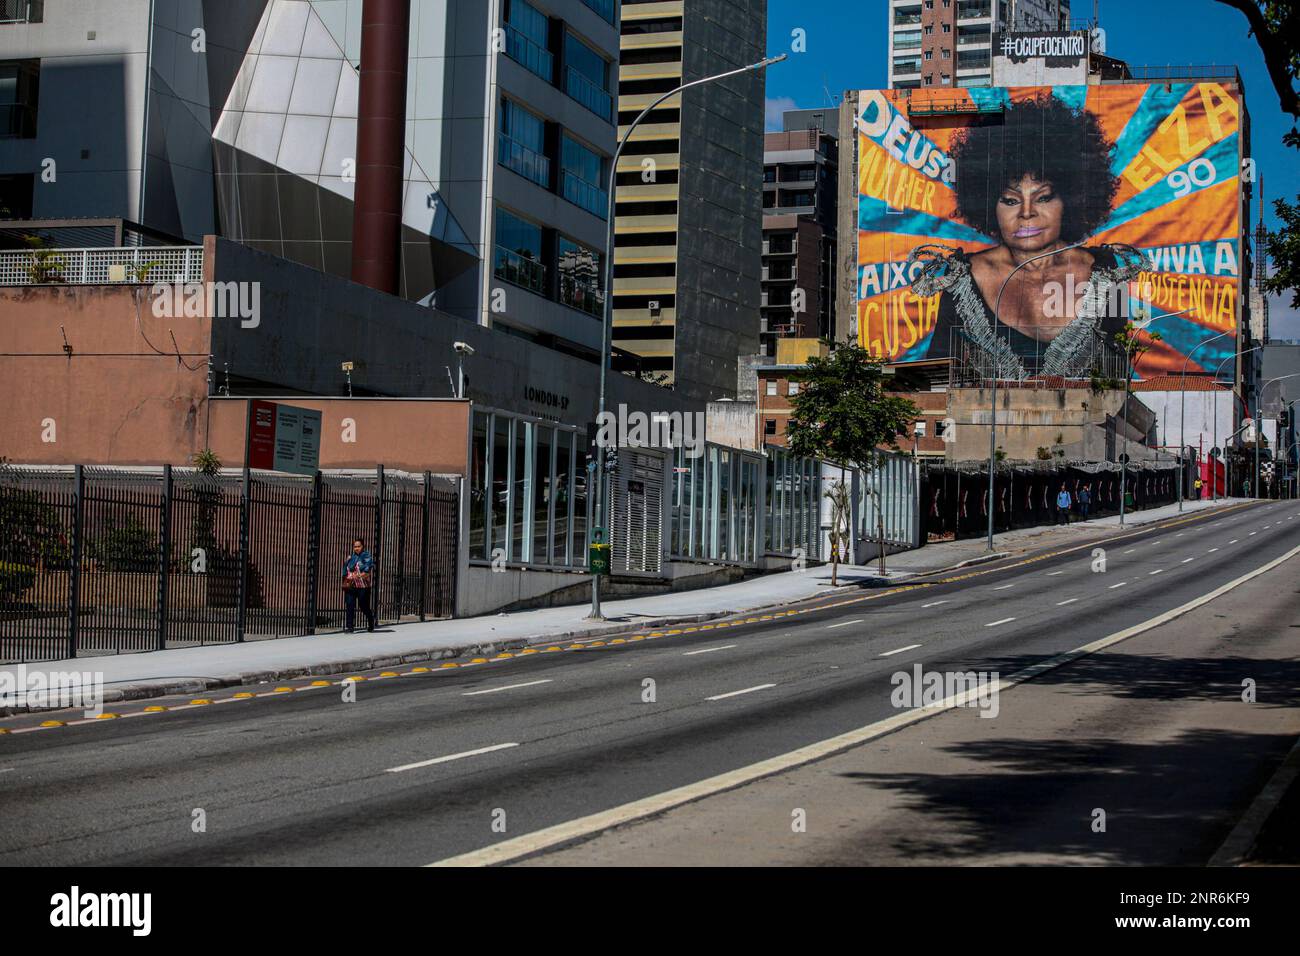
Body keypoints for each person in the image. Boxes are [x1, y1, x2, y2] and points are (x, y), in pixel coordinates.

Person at [907, 94, 1144, 378]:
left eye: (1043, 198)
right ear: (987, 204)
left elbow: (1118, 373)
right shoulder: (961, 279)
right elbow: (939, 376)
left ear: (1070, 200)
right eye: (1010, 200)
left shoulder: (1108, 272)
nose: (1027, 213)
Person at [343, 538, 376, 633]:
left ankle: (371, 621)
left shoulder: (367, 557)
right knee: (349, 604)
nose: (356, 548)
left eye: (358, 546)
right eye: (355, 546)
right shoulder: (351, 558)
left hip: (363, 586)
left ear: (362, 547)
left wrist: (357, 576)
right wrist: (346, 563)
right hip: (351, 585)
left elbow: (367, 572)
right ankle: (350, 627)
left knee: (363, 606)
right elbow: (346, 570)